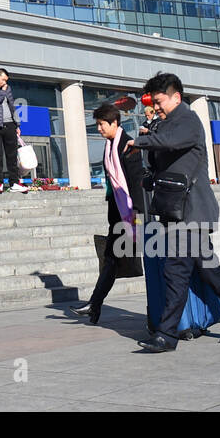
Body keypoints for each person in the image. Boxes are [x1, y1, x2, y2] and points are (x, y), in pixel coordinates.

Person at [129, 72, 220, 352]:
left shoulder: (188, 120)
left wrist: (141, 141)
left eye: (160, 100)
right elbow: (161, 157)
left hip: (190, 210)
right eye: (153, 102)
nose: (156, 106)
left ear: (176, 97)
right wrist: (149, 135)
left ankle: (166, 335)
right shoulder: (166, 124)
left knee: (175, 272)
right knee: (209, 269)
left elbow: (170, 143)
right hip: (178, 209)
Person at [72, 104, 146, 323]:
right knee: (111, 259)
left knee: (127, 260)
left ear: (114, 123)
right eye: (97, 124)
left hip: (132, 213)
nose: (99, 128)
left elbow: (135, 182)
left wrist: (137, 217)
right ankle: (94, 306)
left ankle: (95, 305)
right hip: (117, 212)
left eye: (101, 124)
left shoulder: (128, 145)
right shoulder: (110, 145)